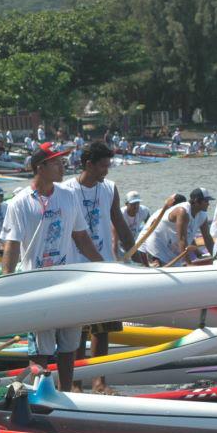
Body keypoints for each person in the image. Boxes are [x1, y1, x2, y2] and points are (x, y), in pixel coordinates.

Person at [0, 142, 101, 394]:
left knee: (69, 345)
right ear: (40, 167)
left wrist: (105, 266)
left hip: (68, 282)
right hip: (36, 286)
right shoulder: (20, 203)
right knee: (40, 350)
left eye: (62, 162)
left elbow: (81, 237)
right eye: (56, 163)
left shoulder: (68, 196)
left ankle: (65, 393)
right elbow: (12, 246)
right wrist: (5, 284)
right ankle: (39, 395)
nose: (62, 167)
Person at [62, 141, 139, 393]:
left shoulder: (109, 188)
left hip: (104, 266)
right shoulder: (66, 190)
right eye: (103, 166)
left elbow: (119, 222)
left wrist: (135, 251)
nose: (107, 170)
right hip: (76, 269)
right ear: (88, 164)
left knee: (102, 328)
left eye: (108, 165)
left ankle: (99, 382)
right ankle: (74, 383)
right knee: (77, 330)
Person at [139, 188, 215, 266]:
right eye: (206, 201)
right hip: (157, 246)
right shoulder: (182, 212)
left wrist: (215, 258)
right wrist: (189, 263)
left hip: (172, 250)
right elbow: (182, 239)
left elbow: (207, 238)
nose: (208, 204)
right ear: (196, 201)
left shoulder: (203, 215)